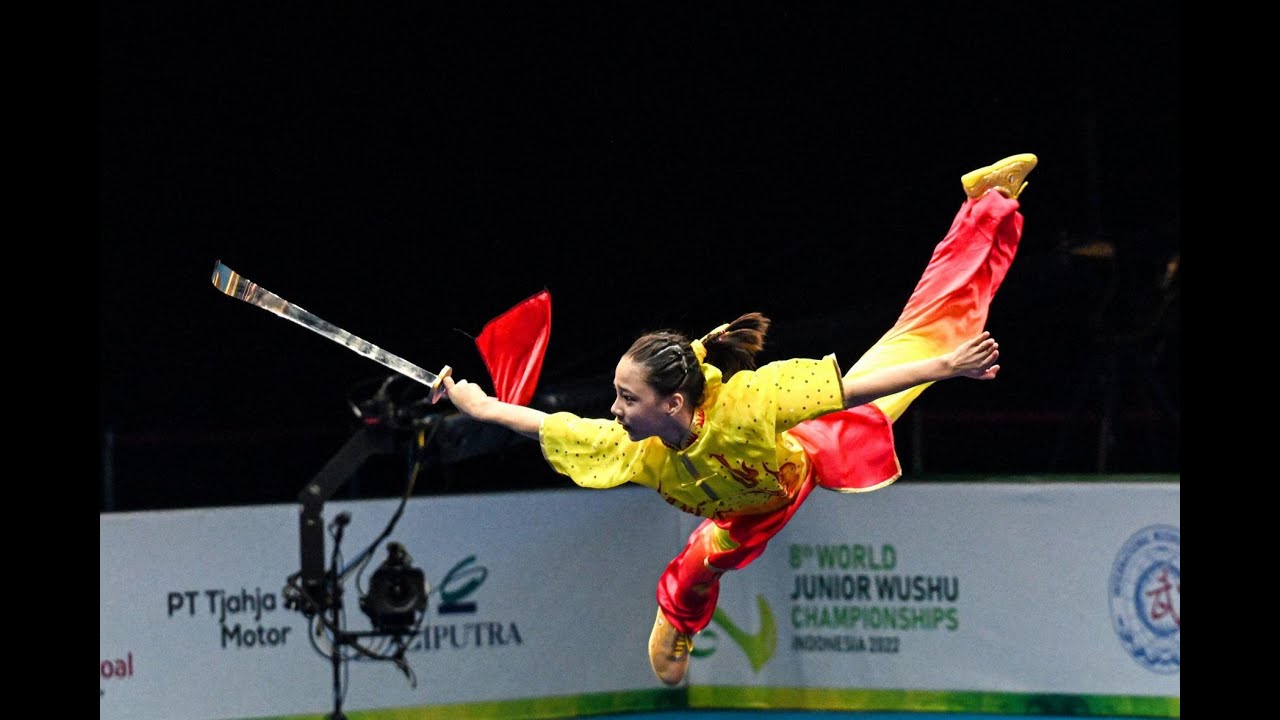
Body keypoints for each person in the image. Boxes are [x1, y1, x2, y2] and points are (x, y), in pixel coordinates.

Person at [439, 153, 1038, 685]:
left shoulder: (750, 404)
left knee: (922, 334)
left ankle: (990, 201)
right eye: (617, 398)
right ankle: (677, 619)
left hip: (807, 452)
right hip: (738, 518)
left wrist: (943, 367)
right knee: (691, 573)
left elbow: (852, 389)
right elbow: (539, 424)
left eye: (627, 398)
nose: (614, 410)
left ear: (672, 403)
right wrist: (479, 404)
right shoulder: (628, 446)